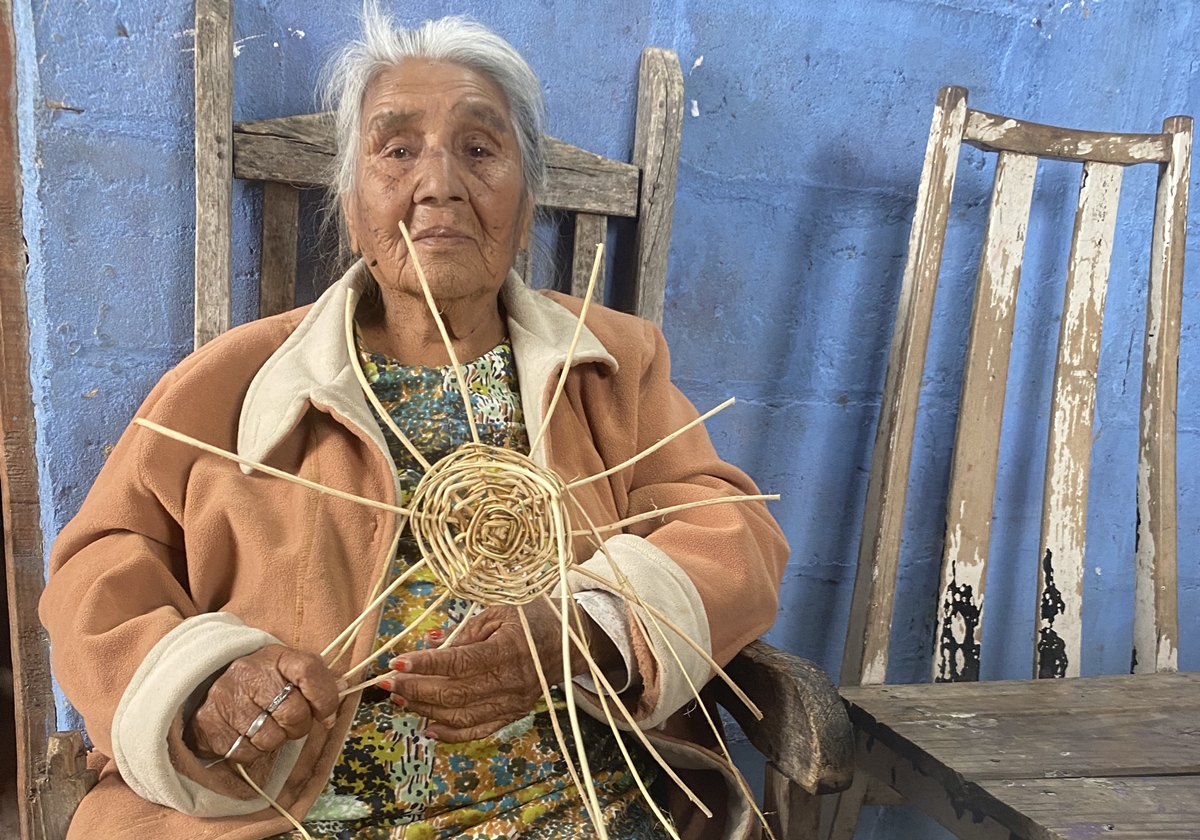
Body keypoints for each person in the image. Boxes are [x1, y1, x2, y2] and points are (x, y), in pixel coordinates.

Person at [39, 10, 787, 840]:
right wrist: (205, 687)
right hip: (288, 817)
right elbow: (96, 572)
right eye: (396, 150)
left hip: (585, 808)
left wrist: (589, 629)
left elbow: (734, 535)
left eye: (478, 149)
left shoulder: (611, 364)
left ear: (524, 194)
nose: (438, 183)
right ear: (352, 205)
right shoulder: (230, 381)